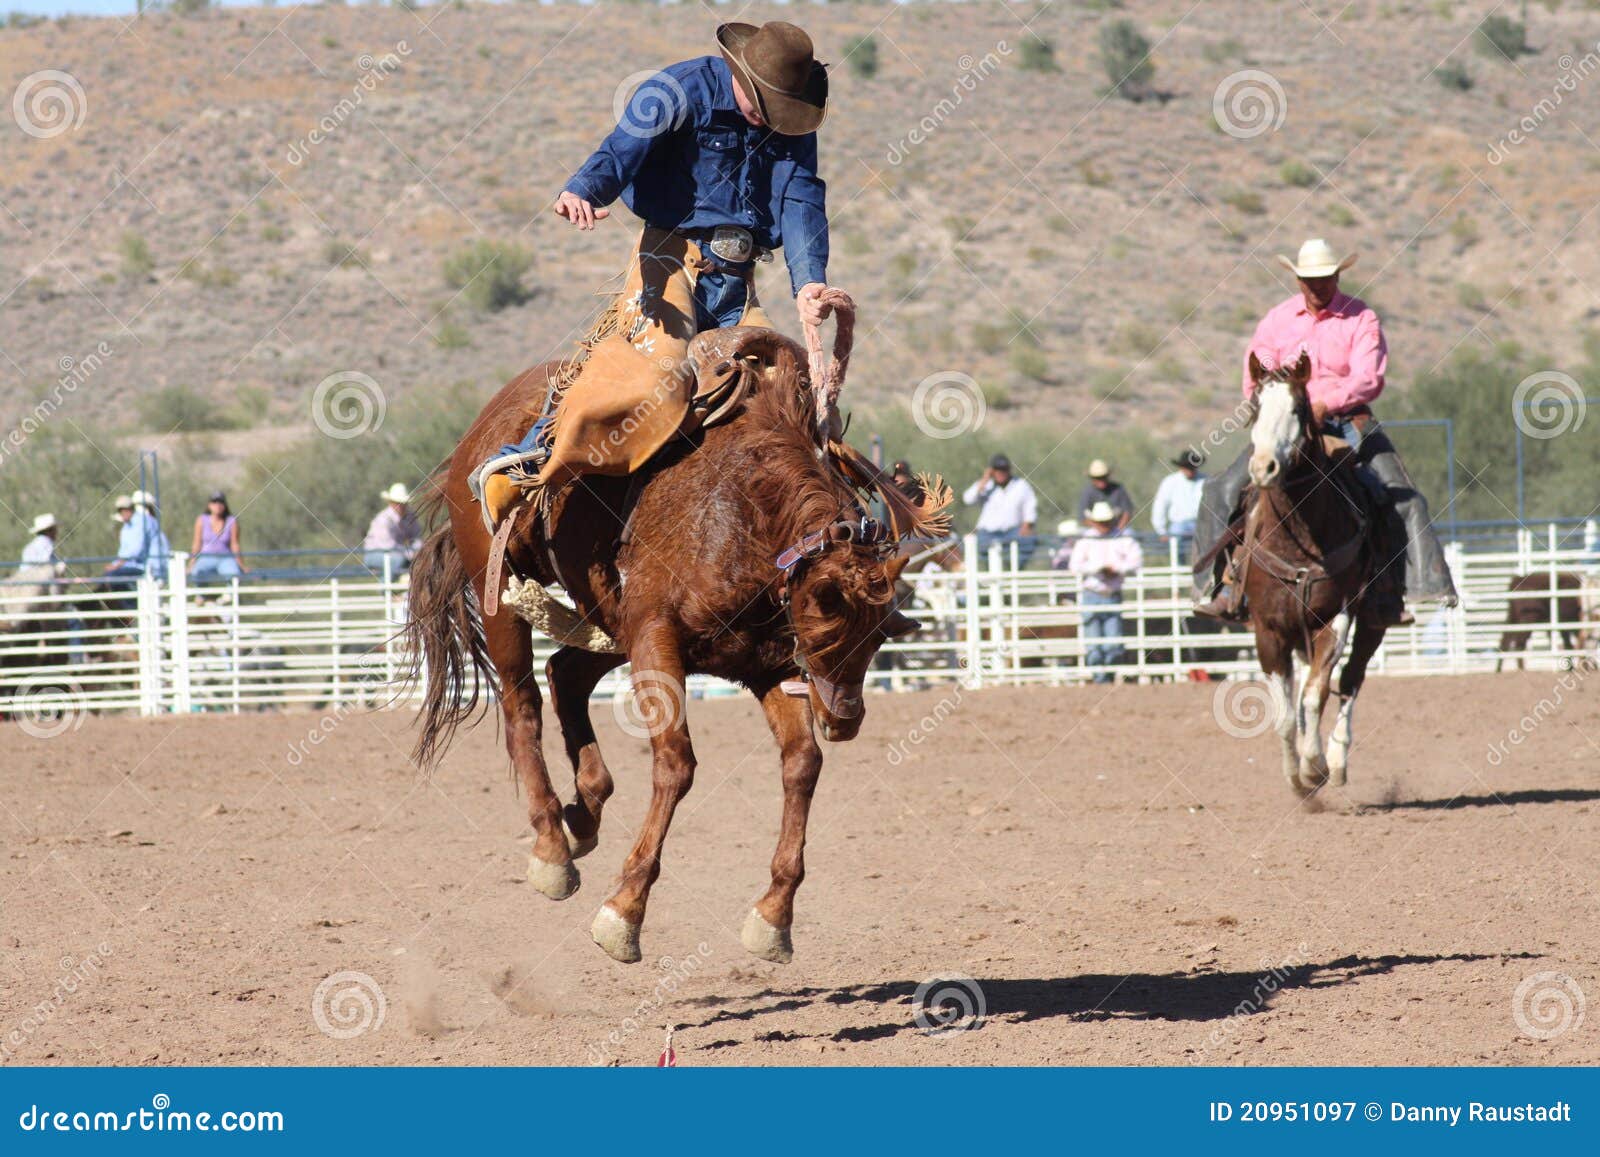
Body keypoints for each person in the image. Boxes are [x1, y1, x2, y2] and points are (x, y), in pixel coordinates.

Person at [469, 21, 840, 527]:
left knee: (787, 392)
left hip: (739, 275)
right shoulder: (677, 90)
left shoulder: (790, 120)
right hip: (670, 261)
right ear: (744, 78)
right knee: (651, 379)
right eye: (765, 108)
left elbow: (800, 197)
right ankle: (528, 458)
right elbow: (625, 145)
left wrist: (810, 280)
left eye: (783, 111)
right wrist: (585, 190)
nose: (773, 120)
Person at [1193, 238, 1458, 622]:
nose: (1318, 286)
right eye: (1310, 279)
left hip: (1349, 421)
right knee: (1221, 489)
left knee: (1404, 500)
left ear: (1337, 276)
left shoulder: (1361, 318)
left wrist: (1324, 404)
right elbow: (1256, 375)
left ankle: (1406, 590)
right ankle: (1219, 588)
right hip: (1286, 424)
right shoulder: (1277, 321)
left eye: (1325, 278)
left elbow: (1369, 379)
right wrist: (1275, 406)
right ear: (1298, 279)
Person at [1067, 501, 1143, 683]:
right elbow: (1074, 566)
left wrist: (1116, 568)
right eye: (1100, 522)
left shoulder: (1122, 538)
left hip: (1111, 594)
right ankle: (1100, 678)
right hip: (1092, 594)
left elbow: (1136, 562)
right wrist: (1097, 569)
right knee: (1094, 643)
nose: (1103, 526)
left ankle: (1107, 676)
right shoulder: (1087, 540)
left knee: (1113, 642)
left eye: (1106, 521)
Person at [962, 453, 1038, 566]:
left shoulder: (1021, 485)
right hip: (987, 532)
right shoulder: (986, 485)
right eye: (997, 469)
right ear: (992, 471)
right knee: (970, 544)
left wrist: (1027, 525)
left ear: (1009, 470)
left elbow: (1030, 507)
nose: (1001, 473)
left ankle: (1012, 573)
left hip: (1012, 531)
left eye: (1004, 469)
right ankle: (986, 576)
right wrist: (984, 480)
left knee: (1029, 541)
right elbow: (967, 499)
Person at [1152, 449, 1206, 564]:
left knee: (1206, 547)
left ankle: (1203, 571)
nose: (1189, 470)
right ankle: (1179, 571)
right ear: (1181, 467)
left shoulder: (1205, 480)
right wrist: (1161, 530)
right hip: (1179, 524)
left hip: (1201, 523)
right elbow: (1160, 505)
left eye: (1192, 467)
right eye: (1187, 467)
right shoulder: (1170, 482)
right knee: (1176, 546)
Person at [103, 489, 169, 585]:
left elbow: (136, 549)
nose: (123, 512)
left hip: (149, 567)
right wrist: (115, 564)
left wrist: (117, 565)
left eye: (126, 509)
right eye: (121, 510)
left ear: (131, 509)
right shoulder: (128, 527)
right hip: (136, 565)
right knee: (109, 577)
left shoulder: (143, 522)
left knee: (113, 577)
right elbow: (125, 552)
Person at [187, 492, 247, 584]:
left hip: (225, 558)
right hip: (206, 557)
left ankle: (229, 596)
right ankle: (202, 595)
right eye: (214, 502)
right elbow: (197, 543)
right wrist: (191, 564)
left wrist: (242, 565)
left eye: (221, 502)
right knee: (196, 573)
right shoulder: (201, 520)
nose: (218, 505)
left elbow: (235, 544)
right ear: (209, 505)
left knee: (234, 574)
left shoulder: (231, 521)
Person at [363, 483, 423, 575]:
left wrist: (417, 551)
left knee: (418, 562)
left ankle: (406, 587)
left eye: (402, 503)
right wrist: (411, 554)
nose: (400, 506)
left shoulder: (410, 517)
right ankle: (385, 588)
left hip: (398, 553)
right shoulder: (383, 520)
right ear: (390, 503)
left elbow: (416, 537)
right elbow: (388, 547)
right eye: (397, 502)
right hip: (375, 554)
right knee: (397, 561)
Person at [1078, 460, 1133, 531]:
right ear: (1092, 478)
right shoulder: (1088, 492)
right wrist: (1100, 529)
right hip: (1095, 531)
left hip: (1118, 530)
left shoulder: (1118, 489)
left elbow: (1127, 511)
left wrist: (1118, 530)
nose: (1101, 480)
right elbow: (1083, 516)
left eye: (1103, 477)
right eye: (1097, 478)